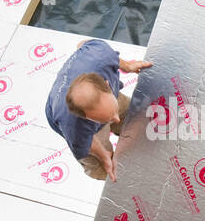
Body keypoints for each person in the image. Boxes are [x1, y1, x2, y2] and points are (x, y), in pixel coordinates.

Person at [45, 39, 152, 182]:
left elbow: (82, 44)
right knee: (104, 167)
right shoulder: (75, 128)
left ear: (106, 85)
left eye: (113, 112)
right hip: (75, 125)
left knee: (131, 116)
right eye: (106, 119)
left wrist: (127, 65)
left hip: (99, 102)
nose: (116, 118)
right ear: (87, 118)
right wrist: (103, 155)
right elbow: (87, 144)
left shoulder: (100, 54)